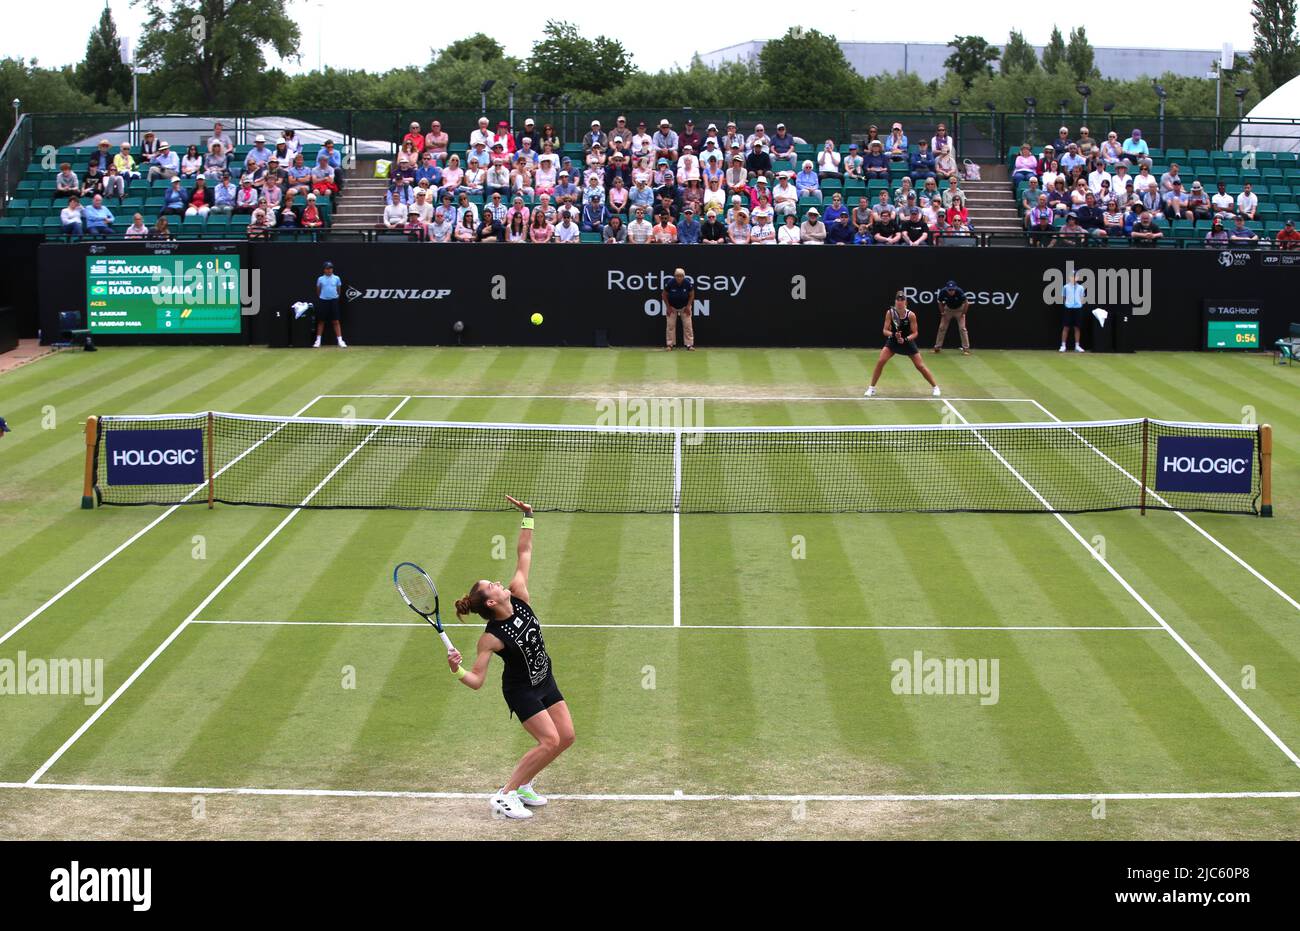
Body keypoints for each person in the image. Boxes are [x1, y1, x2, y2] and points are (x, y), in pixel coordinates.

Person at [451, 495, 573, 821]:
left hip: (544, 679)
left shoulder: (518, 594)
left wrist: (528, 516)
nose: (498, 582)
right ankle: (504, 795)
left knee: (566, 737)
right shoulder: (490, 638)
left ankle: (523, 786)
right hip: (521, 690)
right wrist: (457, 669)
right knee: (549, 740)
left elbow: (524, 552)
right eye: (492, 585)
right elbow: (476, 682)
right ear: (490, 603)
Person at [865, 290, 941, 397]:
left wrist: (905, 339)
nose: (899, 302)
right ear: (895, 301)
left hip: (907, 342)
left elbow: (915, 333)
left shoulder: (911, 315)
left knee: (920, 366)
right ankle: (871, 388)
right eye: (898, 300)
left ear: (906, 302)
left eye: (902, 300)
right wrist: (893, 335)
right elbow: (885, 330)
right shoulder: (890, 313)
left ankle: (935, 387)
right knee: (881, 361)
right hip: (893, 341)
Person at [314, 260, 346, 348]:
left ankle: (340, 341)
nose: (329, 270)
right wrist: (323, 297)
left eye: (331, 268)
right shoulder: (320, 279)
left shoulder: (337, 278)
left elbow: (339, 290)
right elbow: (318, 291)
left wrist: (335, 297)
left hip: (334, 301)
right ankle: (318, 341)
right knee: (321, 321)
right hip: (323, 301)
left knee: (336, 321)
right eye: (327, 269)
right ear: (324, 270)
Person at [933, 280, 971, 354]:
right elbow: (940, 302)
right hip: (948, 310)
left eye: (953, 289)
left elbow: (966, 303)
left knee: (962, 328)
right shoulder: (943, 291)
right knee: (942, 327)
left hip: (959, 310)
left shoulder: (959, 291)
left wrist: (963, 313)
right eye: (949, 290)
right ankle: (937, 347)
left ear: (955, 288)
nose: (951, 291)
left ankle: (966, 349)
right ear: (946, 289)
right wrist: (942, 312)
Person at [662, 267, 696, 350]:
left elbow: (692, 295)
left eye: (681, 276)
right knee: (670, 326)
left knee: (688, 326)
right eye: (677, 276)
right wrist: (668, 307)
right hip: (672, 307)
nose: (679, 277)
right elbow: (664, 295)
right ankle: (670, 345)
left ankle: (689, 345)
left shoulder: (687, 283)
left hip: (685, 307)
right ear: (674, 276)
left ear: (684, 276)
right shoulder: (670, 283)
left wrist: (688, 306)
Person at [1060, 271, 1086, 352]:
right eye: (1072, 276)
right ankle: (1063, 345)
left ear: (1077, 278)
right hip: (1068, 309)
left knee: (1077, 328)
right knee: (1066, 327)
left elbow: (1082, 297)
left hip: (1078, 309)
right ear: (1070, 277)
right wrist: (1067, 305)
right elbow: (1064, 297)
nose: (1074, 278)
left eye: (1075, 276)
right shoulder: (1065, 287)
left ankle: (1077, 346)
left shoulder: (1081, 288)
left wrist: (1079, 304)